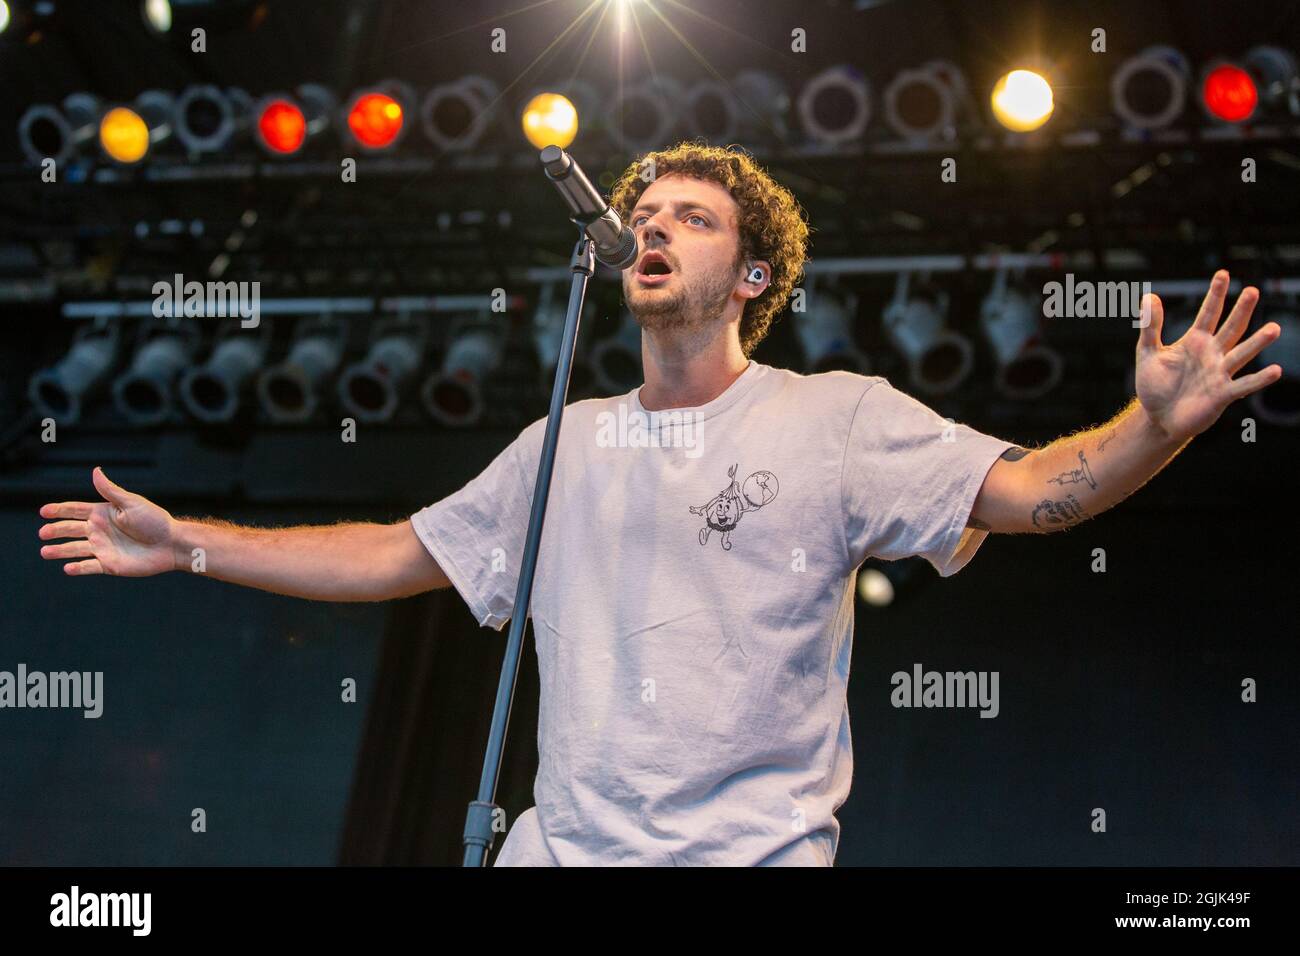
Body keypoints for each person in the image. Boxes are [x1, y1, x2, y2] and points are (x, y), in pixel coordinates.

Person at [37, 142, 1284, 866]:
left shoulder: (834, 416)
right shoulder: (566, 444)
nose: (654, 228)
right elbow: (389, 555)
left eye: (691, 218)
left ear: (750, 274)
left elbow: (1027, 495)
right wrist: (187, 544)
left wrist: (1151, 428)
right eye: (644, 215)